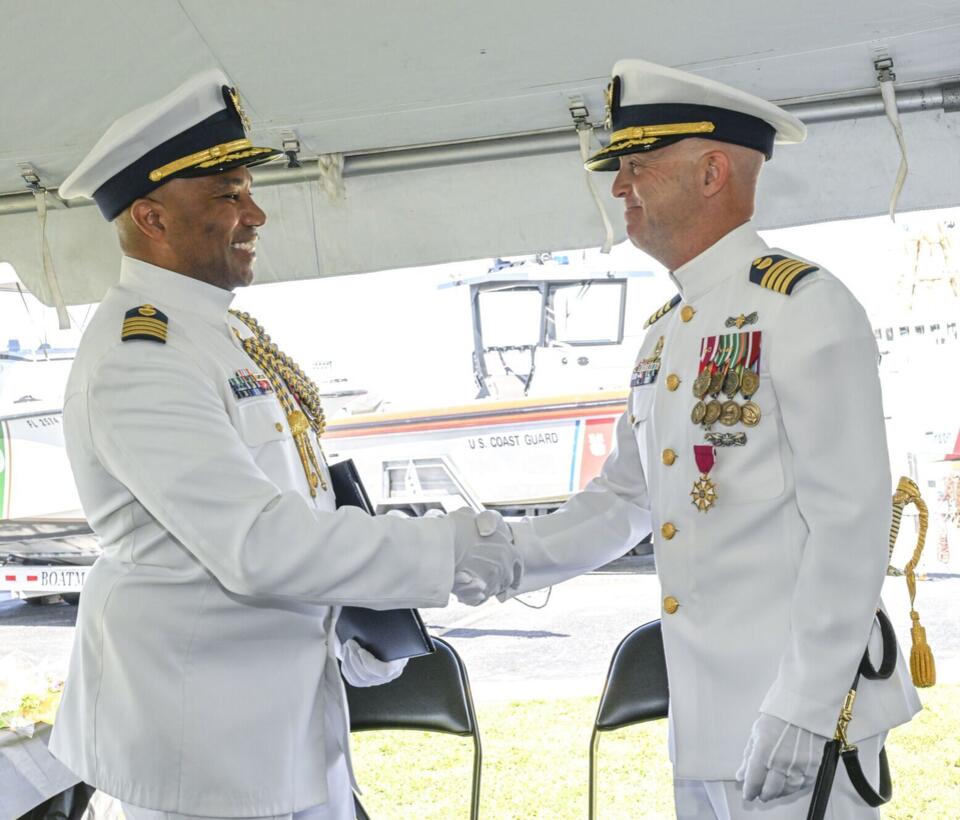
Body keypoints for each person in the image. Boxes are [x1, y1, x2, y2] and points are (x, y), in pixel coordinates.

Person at [49, 70, 522, 820]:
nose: (256, 214)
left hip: (281, 729)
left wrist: (351, 624)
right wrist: (447, 549)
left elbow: (295, 508)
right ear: (151, 217)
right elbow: (258, 544)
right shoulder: (141, 355)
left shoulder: (219, 331)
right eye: (228, 195)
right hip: (204, 756)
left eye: (248, 190)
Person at [493, 59, 921, 818]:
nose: (619, 187)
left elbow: (851, 523)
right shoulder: (663, 335)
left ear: (712, 172)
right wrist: (494, 558)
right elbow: (623, 503)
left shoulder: (803, 307)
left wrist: (807, 707)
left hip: (799, 722)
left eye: (638, 165)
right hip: (706, 727)